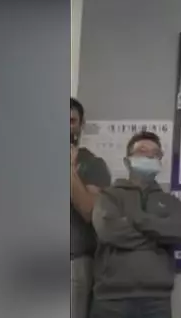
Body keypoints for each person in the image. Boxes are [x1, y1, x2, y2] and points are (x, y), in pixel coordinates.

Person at [90, 131, 181, 318]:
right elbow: (109, 232)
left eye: (155, 154)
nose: (149, 157)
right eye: (143, 151)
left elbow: (179, 230)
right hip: (111, 300)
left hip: (156, 300)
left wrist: (136, 218)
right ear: (128, 160)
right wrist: (157, 236)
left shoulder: (170, 201)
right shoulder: (109, 196)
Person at [71, 97, 112, 318]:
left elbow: (90, 212)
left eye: (71, 120)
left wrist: (69, 169)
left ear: (80, 124)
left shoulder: (93, 164)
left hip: (74, 261)